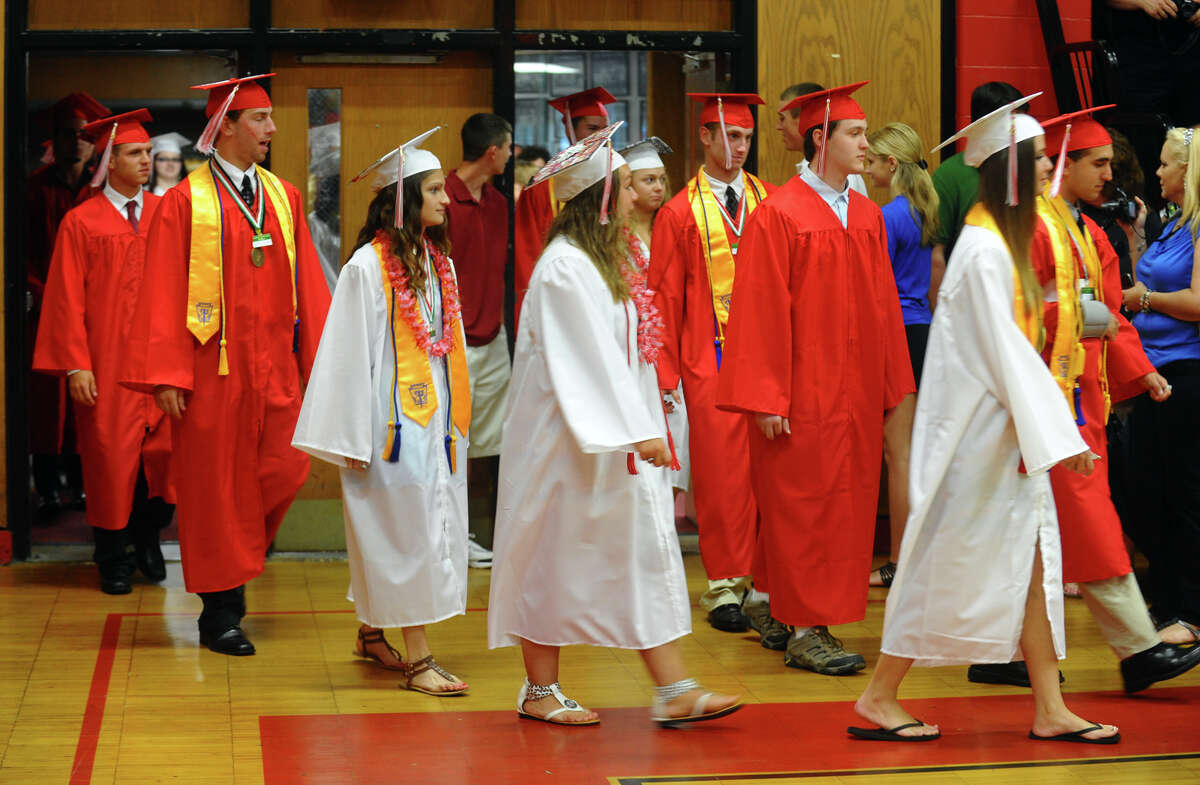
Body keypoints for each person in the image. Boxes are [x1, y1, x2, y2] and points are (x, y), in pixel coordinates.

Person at [849, 96, 1119, 744]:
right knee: (940, 563)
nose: (1051, 173)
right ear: (1013, 172)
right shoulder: (983, 249)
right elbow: (1006, 356)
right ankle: (880, 694)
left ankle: (1049, 706)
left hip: (1004, 438)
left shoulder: (1002, 243)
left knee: (1031, 567)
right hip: (976, 442)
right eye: (1043, 162)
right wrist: (1061, 435)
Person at [488, 126, 741, 728]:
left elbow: (629, 352)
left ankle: (674, 687)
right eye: (625, 187)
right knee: (548, 555)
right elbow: (587, 359)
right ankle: (540, 690)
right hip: (563, 447)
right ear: (600, 198)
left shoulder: (613, 262)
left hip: (613, 442)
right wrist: (637, 429)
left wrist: (646, 422)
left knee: (640, 555)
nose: (635, 197)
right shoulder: (564, 268)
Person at [122, 74, 332, 656]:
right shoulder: (186, 202)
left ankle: (239, 565)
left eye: (268, 118)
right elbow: (161, 291)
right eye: (259, 119)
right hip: (211, 371)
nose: (271, 129)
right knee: (216, 490)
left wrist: (321, 363)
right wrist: (167, 375)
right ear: (227, 127)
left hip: (275, 370)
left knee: (284, 470)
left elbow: (308, 285)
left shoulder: (283, 197)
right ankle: (220, 614)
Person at [715, 82, 914, 674]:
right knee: (804, 507)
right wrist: (766, 395)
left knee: (840, 505)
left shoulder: (866, 216)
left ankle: (769, 601)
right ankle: (807, 630)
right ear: (820, 138)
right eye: (855, 133)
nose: (865, 143)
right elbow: (758, 311)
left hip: (850, 392)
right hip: (799, 394)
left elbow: (883, 305)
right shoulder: (779, 213)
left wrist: (889, 385)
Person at [1019, 107, 1200, 693]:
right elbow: (1015, 317)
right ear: (1061, 164)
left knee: (1054, 532)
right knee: (1083, 525)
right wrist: (1081, 317)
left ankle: (1021, 653)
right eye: (1096, 163)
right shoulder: (1028, 229)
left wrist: (1141, 371)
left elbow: (1114, 319)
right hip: (1043, 406)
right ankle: (1137, 649)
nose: (1109, 175)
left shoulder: (1088, 232)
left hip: (1081, 403)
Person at [293, 129, 471, 695]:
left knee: (409, 529)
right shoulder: (367, 269)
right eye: (437, 190)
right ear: (405, 199)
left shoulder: (436, 261)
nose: (447, 199)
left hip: (434, 424)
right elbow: (345, 354)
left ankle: (372, 634)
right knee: (404, 534)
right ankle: (419, 659)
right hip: (388, 426)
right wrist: (347, 434)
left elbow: (447, 348)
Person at [649, 93, 785, 644]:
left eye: (746, 138)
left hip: (766, 363)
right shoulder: (679, 212)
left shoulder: (772, 203)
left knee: (767, 474)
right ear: (704, 138)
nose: (737, 149)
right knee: (723, 476)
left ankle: (765, 582)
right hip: (708, 359)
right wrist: (666, 375)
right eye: (727, 137)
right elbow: (661, 299)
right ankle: (725, 584)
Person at [33, 109, 175, 595]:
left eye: (148, 153)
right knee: (110, 460)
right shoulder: (82, 222)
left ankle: (149, 541)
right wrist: (75, 364)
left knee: (163, 458)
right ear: (108, 161)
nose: (146, 161)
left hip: (160, 365)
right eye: (135, 153)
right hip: (106, 364)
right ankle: (112, 556)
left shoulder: (167, 215)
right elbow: (65, 298)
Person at [1121, 124, 1200, 648]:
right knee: (1145, 490)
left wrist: (1144, 300)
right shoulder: (1175, 224)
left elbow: (1195, 303)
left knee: (1186, 496)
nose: (1158, 170)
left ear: (1190, 171)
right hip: (1155, 371)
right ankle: (1169, 596)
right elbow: (1143, 283)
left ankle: (1192, 612)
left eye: (1167, 162)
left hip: (1188, 373)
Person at [26, 92, 111, 515]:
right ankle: (47, 489)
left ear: (95, 143)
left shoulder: (103, 190)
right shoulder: (32, 190)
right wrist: (49, 296)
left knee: (86, 402)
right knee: (46, 405)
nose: (75, 143)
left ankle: (81, 486)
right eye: (66, 135)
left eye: (83, 136)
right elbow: (19, 255)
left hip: (96, 315)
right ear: (53, 139)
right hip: (42, 312)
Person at [862, 122, 938, 589]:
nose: (866, 168)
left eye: (872, 160)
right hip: (922, 332)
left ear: (892, 165)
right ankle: (912, 555)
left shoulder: (887, 215)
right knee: (910, 453)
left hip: (899, 334)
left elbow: (875, 286)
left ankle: (900, 558)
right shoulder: (921, 210)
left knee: (900, 453)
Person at [445, 113, 513, 567]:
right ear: (492, 152)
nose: (512, 155)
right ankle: (450, 534)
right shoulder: (441, 199)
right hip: (452, 341)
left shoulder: (499, 203)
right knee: (451, 444)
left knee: (491, 446)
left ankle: (479, 532)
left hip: (495, 338)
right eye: (508, 148)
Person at [513, 87, 616, 327]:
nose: (601, 137)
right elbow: (527, 251)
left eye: (605, 129)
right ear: (569, 129)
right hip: (556, 294)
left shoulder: (614, 179)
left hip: (605, 290)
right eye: (592, 129)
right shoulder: (543, 185)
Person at [621, 137, 690, 493]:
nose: (659, 187)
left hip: (670, 346)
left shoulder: (674, 224)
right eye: (649, 180)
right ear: (627, 186)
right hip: (631, 349)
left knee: (678, 433)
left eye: (662, 179)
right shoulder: (615, 236)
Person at [930, 81, 1025, 302]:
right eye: (1012, 122)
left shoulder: (1028, 169)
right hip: (968, 294)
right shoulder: (950, 174)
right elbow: (937, 254)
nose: (1018, 131)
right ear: (984, 123)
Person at [777, 82, 867, 194]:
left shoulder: (842, 175)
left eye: (782, 119)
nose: (778, 127)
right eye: (854, 133)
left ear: (803, 120)